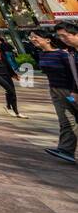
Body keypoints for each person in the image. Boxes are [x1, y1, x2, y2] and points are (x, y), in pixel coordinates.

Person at [28, 29, 77, 165]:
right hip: (55, 90)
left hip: (70, 91)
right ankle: (66, 150)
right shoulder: (42, 54)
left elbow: (74, 73)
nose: (33, 39)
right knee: (65, 120)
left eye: (35, 37)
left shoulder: (63, 55)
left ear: (48, 39)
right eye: (31, 37)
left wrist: (75, 90)